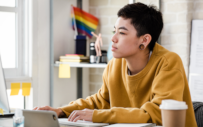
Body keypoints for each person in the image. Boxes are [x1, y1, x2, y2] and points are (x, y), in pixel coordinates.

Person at [34, 3, 197, 126]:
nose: (113, 38)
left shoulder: (168, 63)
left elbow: (154, 114)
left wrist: (97, 115)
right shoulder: (114, 65)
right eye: (114, 31)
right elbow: (99, 101)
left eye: (122, 33)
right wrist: (61, 111)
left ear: (144, 40)